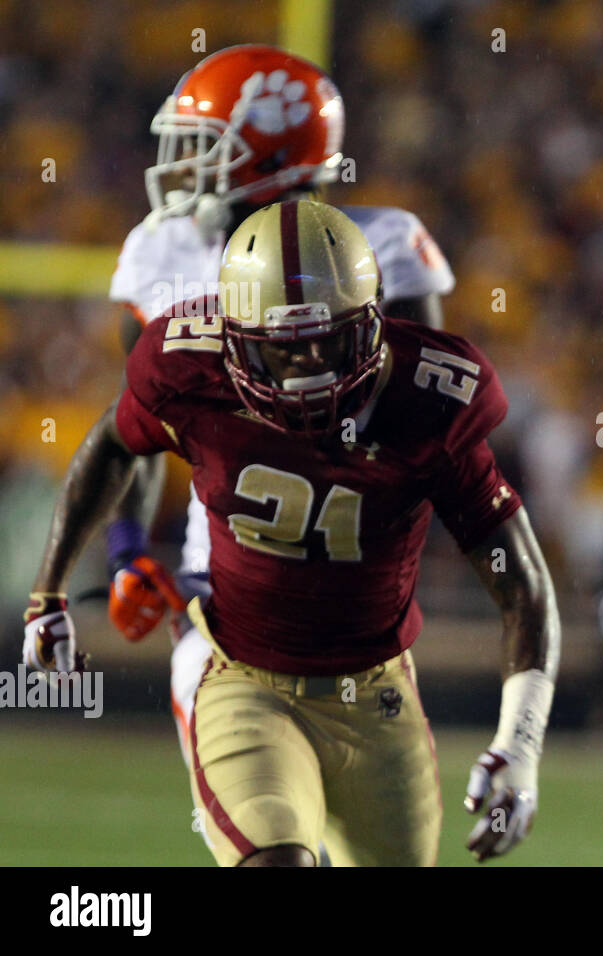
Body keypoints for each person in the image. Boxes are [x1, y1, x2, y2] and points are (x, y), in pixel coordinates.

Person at [23, 200, 559, 866]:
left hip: (377, 699)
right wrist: (48, 593)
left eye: (328, 337)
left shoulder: (428, 402)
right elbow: (112, 444)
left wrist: (521, 746)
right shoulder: (192, 370)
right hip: (245, 681)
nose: (309, 362)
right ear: (237, 335)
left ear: (372, 324)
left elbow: (523, 586)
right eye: (283, 343)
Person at [102, 45, 455, 776]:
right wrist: (127, 548)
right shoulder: (162, 250)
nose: (181, 164)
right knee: (266, 831)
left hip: (350, 584)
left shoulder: (380, 245)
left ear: (272, 154)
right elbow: (136, 427)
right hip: (224, 584)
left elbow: (426, 419)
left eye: (206, 146)